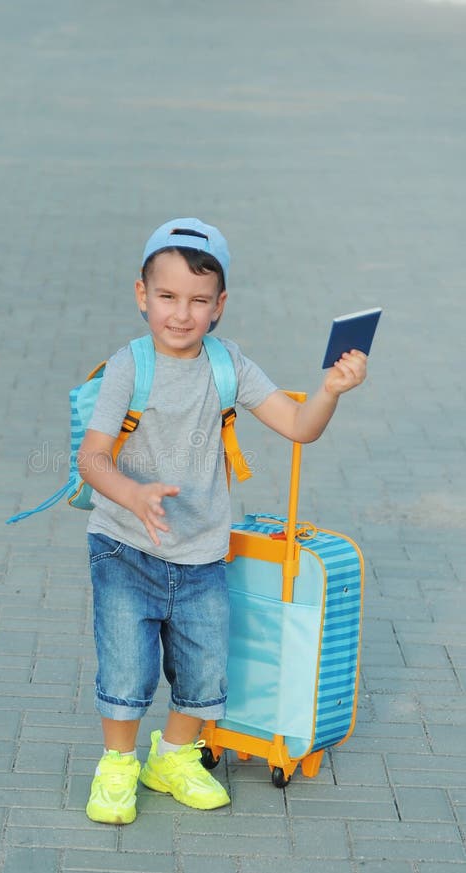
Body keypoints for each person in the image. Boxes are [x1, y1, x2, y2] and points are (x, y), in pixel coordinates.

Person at [78, 217, 367, 825]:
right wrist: (132, 494)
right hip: (125, 545)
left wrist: (331, 390)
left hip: (204, 551)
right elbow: (92, 458)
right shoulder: (129, 367)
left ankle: (175, 757)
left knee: (204, 667)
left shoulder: (228, 364)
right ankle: (117, 765)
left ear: (219, 306)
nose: (181, 314)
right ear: (141, 296)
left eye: (198, 301)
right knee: (127, 665)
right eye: (167, 297)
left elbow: (298, 428)